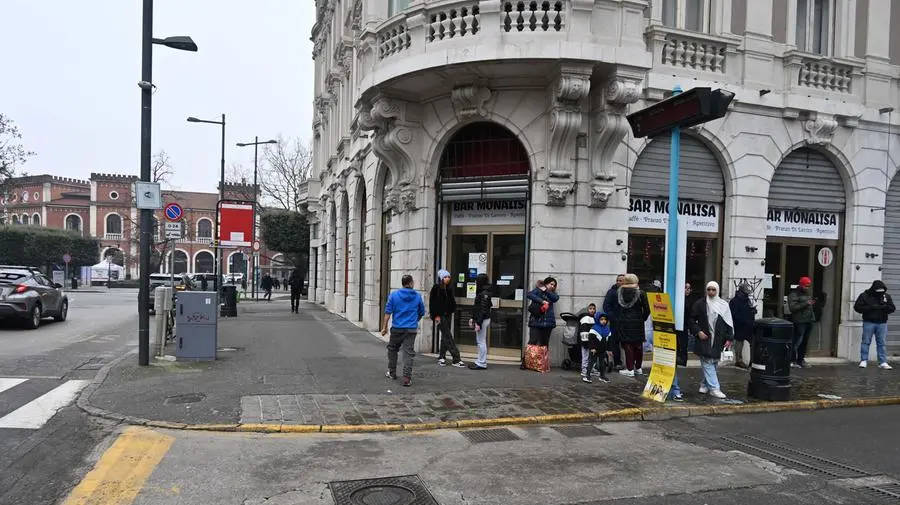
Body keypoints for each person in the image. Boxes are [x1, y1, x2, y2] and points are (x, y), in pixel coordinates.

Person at [688, 281, 734, 399]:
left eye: (713, 290)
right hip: (705, 338)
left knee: (713, 362)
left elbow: (729, 322)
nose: (711, 292)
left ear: (717, 290)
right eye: (709, 289)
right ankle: (714, 388)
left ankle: (704, 384)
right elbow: (691, 320)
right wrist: (698, 332)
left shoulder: (723, 305)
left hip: (718, 338)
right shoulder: (700, 304)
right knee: (708, 362)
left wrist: (729, 338)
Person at [381, 274, 426, 387]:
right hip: (411, 329)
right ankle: (406, 378)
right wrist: (415, 320)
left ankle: (392, 372)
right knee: (408, 353)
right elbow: (421, 312)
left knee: (392, 349)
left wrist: (384, 327)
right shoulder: (417, 296)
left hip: (397, 328)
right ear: (411, 283)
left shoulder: (394, 295)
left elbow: (388, 312)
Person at [613, 273, 650, 377]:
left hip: (624, 322)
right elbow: (647, 309)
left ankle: (630, 369)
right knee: (638, 345)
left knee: (627, 345)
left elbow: (617, 309)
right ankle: (638, 368)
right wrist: (642, 318)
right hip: (638, 322)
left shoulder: (619, 293)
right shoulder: (641, 293)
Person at [854, 280, 895, 370]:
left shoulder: (886, 296)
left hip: (882, 323)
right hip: (869, 322)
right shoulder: (864, 296)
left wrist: (884, 306)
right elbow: (857, 307)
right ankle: (863, 360)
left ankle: (882, 362)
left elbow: (892, 308)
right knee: (866, 341)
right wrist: (870, 308)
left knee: (881, 343)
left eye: (882, 290)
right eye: (878, 290)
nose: (880, 293)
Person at [429, 269, 464, 368]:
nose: (447, 279)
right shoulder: (436, 288)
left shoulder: (449, 288)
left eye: (448, 277)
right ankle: (456, 358)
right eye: (445, 277)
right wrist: (435, 315)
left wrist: (452, 308)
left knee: (445, 336)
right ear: (441, 278)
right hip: (440, 315)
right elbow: (432, 303)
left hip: (448, 314)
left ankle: (441, 357)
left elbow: (451, 301)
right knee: (448, 336)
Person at [669, 282, 694, 402]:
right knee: (672, 361)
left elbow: (690, 319)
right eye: (685, 288)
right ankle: (674, 388)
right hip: (672, 334)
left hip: (682, 334)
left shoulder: (690, 302)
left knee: (675, 361)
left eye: (689, 288)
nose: (688, 290)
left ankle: (674, 388)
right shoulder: (675, 300)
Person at [787, 276, 815, 368]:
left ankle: (800, 359)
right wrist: (806, 303)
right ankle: (792, 360)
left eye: (809, 286)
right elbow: (792, 307)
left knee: (804, 342)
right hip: (799, 321)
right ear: (801, 285)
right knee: (797, 341)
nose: (807, 288)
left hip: (808, 320)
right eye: (806, 286)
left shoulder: (807, 294)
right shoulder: (794, 294)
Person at [729, 282, 757, 369]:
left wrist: (753, 311)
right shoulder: (734, 301)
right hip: (740, 325)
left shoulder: (747, 300)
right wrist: (743, 320)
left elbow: (748, 311)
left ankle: (752, 361)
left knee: (753, 343)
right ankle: (739, 360)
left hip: (749, 325)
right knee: (739, 343)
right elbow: (733, 315)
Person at [526, 277, 559, 347]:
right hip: (536, 321)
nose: (552, 286)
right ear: (546, 283)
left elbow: (555, 298)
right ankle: (529, 357)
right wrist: (541, 301)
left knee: (544, 344)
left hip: (548, 323)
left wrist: (546, 290)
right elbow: (529, 294)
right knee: (532, 342)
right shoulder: (538, 291)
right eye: (551, 284)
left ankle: (543, 358)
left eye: (554, 285)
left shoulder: (552, 294)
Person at [602, 274, 626, 370]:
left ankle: (629, 365)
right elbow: (606, 306)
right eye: (618, 280)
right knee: (615, 343)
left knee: (626, 343)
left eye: (621, 280)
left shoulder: (627, 292)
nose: (619, 282)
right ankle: (617, 363)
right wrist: (613, 317)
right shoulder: (611, 292)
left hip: (626, 321)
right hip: (615, 321)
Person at [469, 273, 492, 370]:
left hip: (482, 319)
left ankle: (481, 363)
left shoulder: (484, 293)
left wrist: (478, 322)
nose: (475, 282)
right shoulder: (484, 291)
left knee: (481, 341)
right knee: (480, 341)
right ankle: (480, 361)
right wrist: (474, 319)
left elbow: (483, 309)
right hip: (481, 318)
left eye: (477, 281)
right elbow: (479, 308)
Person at [582, 308, 611, 384]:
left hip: (602, 350)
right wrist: (592, 348)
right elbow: (591, 340)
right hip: (594, 350)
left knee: (602, 363)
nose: (603, 321)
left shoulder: (607, 329)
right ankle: (587, 375)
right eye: (601, 319)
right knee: (591, 363)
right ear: (598, 320)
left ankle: (602, 376)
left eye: (605, 319)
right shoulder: (594, 329)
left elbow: (609, 341)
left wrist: (609, 349)